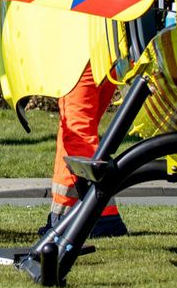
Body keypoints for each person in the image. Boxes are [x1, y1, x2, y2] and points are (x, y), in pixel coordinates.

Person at [40, 63, 128, 238]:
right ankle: (62, 215)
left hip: (78, 60)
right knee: (72, 134)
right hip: (97, 58)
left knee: (77, 135)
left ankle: (102, 218)